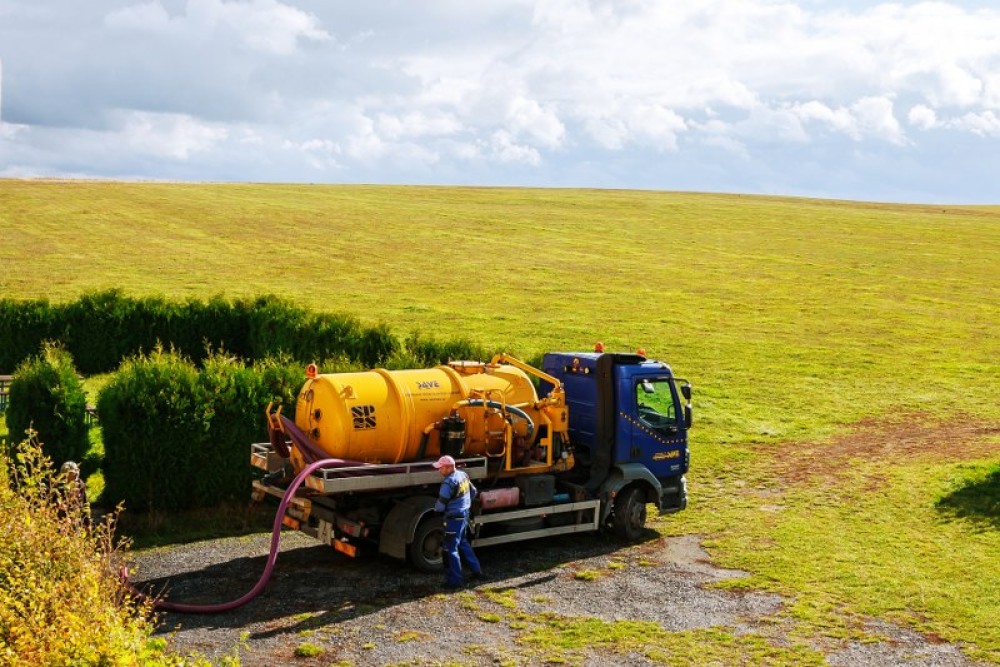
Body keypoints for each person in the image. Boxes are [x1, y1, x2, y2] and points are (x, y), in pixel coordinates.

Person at [432, 455, 483, 589]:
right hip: (464, 514)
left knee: (450, 549)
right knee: (463, 543)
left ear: (448, 468)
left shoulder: (448, 482)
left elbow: (441, 505)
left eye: (440, 467)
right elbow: (474, 491)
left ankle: (455, 581)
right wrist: (465, 504)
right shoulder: (462, 475)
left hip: (453, 518)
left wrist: (436, 511)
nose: (439, 470)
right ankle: (477, 571)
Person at [56, 461, 91, 529]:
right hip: (61, 523)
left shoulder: (80, 484)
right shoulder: (57, 487)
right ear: (65, 474)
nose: (76, 475)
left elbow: (85, 504)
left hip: (77, 521)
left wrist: (88, 523)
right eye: (73, 473)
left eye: (77, 471)